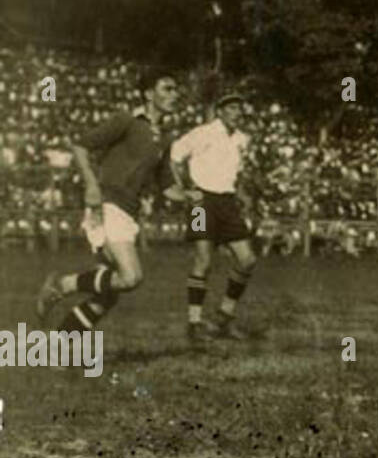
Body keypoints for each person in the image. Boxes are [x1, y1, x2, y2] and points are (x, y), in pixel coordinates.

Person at [37, 70, 184, 333]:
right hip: (108, 203)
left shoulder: (165, 137)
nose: (175, 94)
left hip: (128, 212)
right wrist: (92, 184)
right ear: (149, 94)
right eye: (168, 88)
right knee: (131, 277)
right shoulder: (127, 120)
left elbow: (168, 187)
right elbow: (80, 146)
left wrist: (194, 197)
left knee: (106, 296)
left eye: (176, 89)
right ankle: (63, 285)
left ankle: (60, 343)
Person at [169, 93, 257, 344]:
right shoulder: (203, 133)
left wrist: (243, 195)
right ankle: (194, 324)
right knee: (204, 260)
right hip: (201, 201)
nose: (237, 113)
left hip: (227, 202)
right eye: (231, 108)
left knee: (247, 259)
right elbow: (174, 157)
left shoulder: (242, 139)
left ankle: (224, 318)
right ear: (220, 112)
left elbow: (234, 173)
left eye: (240, 108)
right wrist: (185, 189)